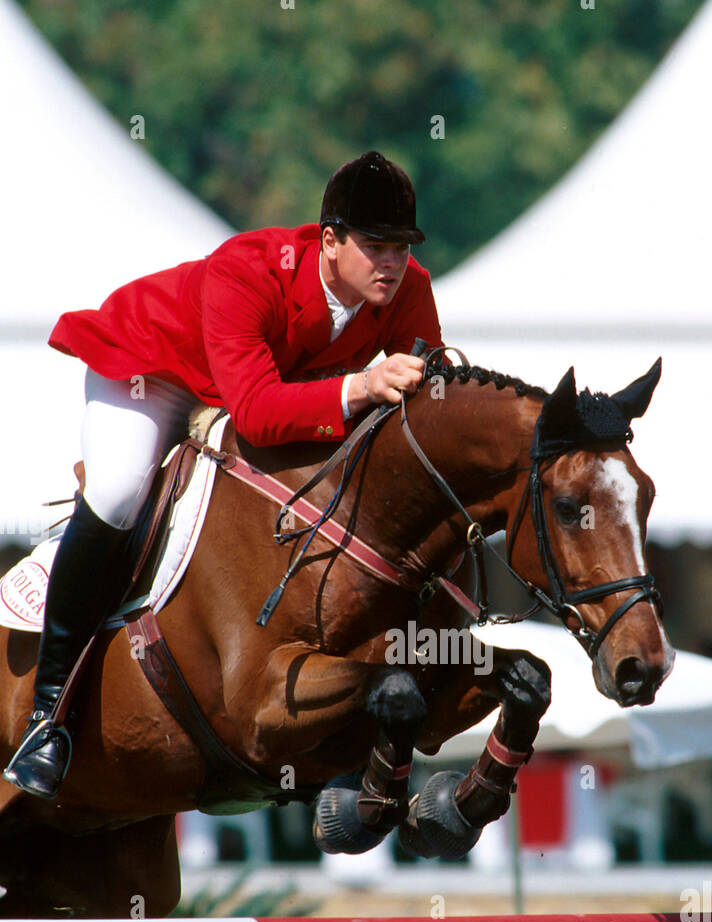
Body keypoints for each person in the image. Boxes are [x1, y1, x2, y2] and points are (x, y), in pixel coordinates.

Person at [5, 150, 442, 799]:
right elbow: (261, 416)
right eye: (375, 246)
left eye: (401, 248)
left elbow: (424, 410)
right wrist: (358, 384)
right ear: (329, 241)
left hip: (245, 389)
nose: (390, 263)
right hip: (150, 369)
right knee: (121, 493)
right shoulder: (250, 268)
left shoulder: (409, 290)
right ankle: (48, 717)